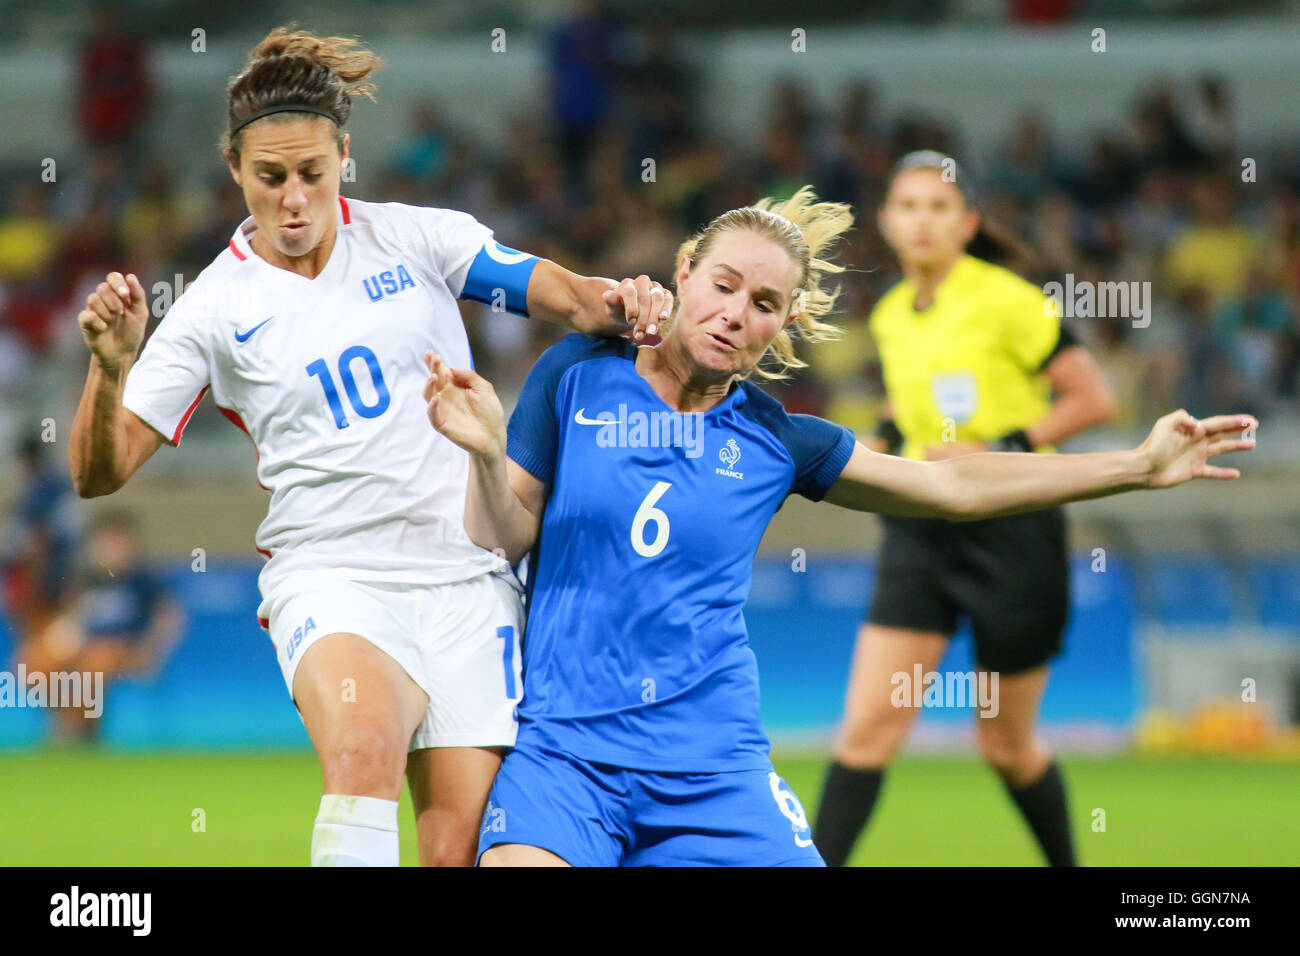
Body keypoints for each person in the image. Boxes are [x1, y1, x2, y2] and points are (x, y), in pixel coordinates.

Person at [421, 185, 1257, 866]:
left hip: (715, 769)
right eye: (723, 286)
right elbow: (502, 535)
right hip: (568, 758)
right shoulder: (576, 372)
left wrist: (1134, 468)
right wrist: (489, 457)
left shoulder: (779, 439)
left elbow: (952, 486)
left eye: (764, 303)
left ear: (782, 323)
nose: (736, 314)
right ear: (684, 272)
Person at [68, 26, 670, 867]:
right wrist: (108, 369)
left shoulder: (418, 239)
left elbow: (565, 294)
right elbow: (101, 471)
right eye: (268, 177)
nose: (292, 199)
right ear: (234, 168)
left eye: (311, 173)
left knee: (455, 845)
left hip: (467, 578)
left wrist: (625, 301)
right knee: (360, 753)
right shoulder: (210, 307)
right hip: (333, 574)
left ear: (344, 156)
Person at [813, 151, 1122, 867]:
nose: (922, 221)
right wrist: (877, 444)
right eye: (908, 206)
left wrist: (1006, 445)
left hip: (1014, 532)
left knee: (1005, 746)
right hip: (921, 529)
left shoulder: (1010, 299)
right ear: (887, 222)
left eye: (939, 206)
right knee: (865, 731)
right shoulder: (891, 316)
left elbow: (1094, 398)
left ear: (968, 223)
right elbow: (905, 413)